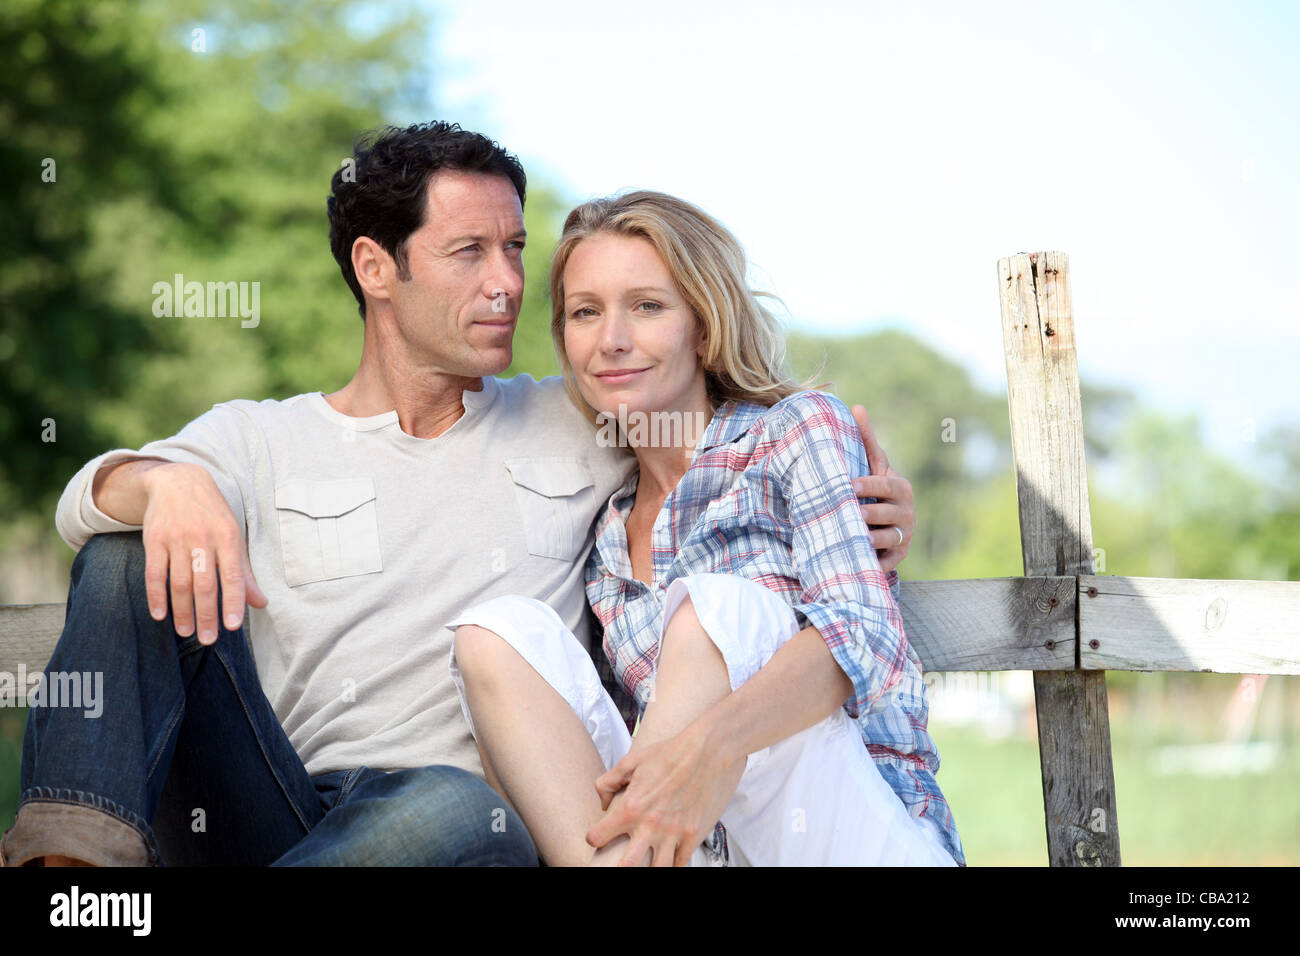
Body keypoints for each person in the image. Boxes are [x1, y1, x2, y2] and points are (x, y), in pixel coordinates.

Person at [0, 124, 917, 867]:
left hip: (469, 826)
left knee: (445, 802)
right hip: (271, 809)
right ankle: (66, 872)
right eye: (470, 252)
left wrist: (858, 497)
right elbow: (85, 499)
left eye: (516, 250)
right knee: (124, 553)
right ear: (375, 268)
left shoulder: (580, 415)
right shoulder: (259, 437)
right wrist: (169, 482)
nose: (509, 283)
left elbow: (715, 430)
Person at [448, 191, 965, 866]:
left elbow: (863, 633)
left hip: (856, 831)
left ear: (702, 323)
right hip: (702, 852)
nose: (611, 339)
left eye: (647, 306)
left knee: (716, 609)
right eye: (585, 312)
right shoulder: (606, 540)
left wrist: (712, 747)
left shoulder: (795, 429)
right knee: (496, 634)